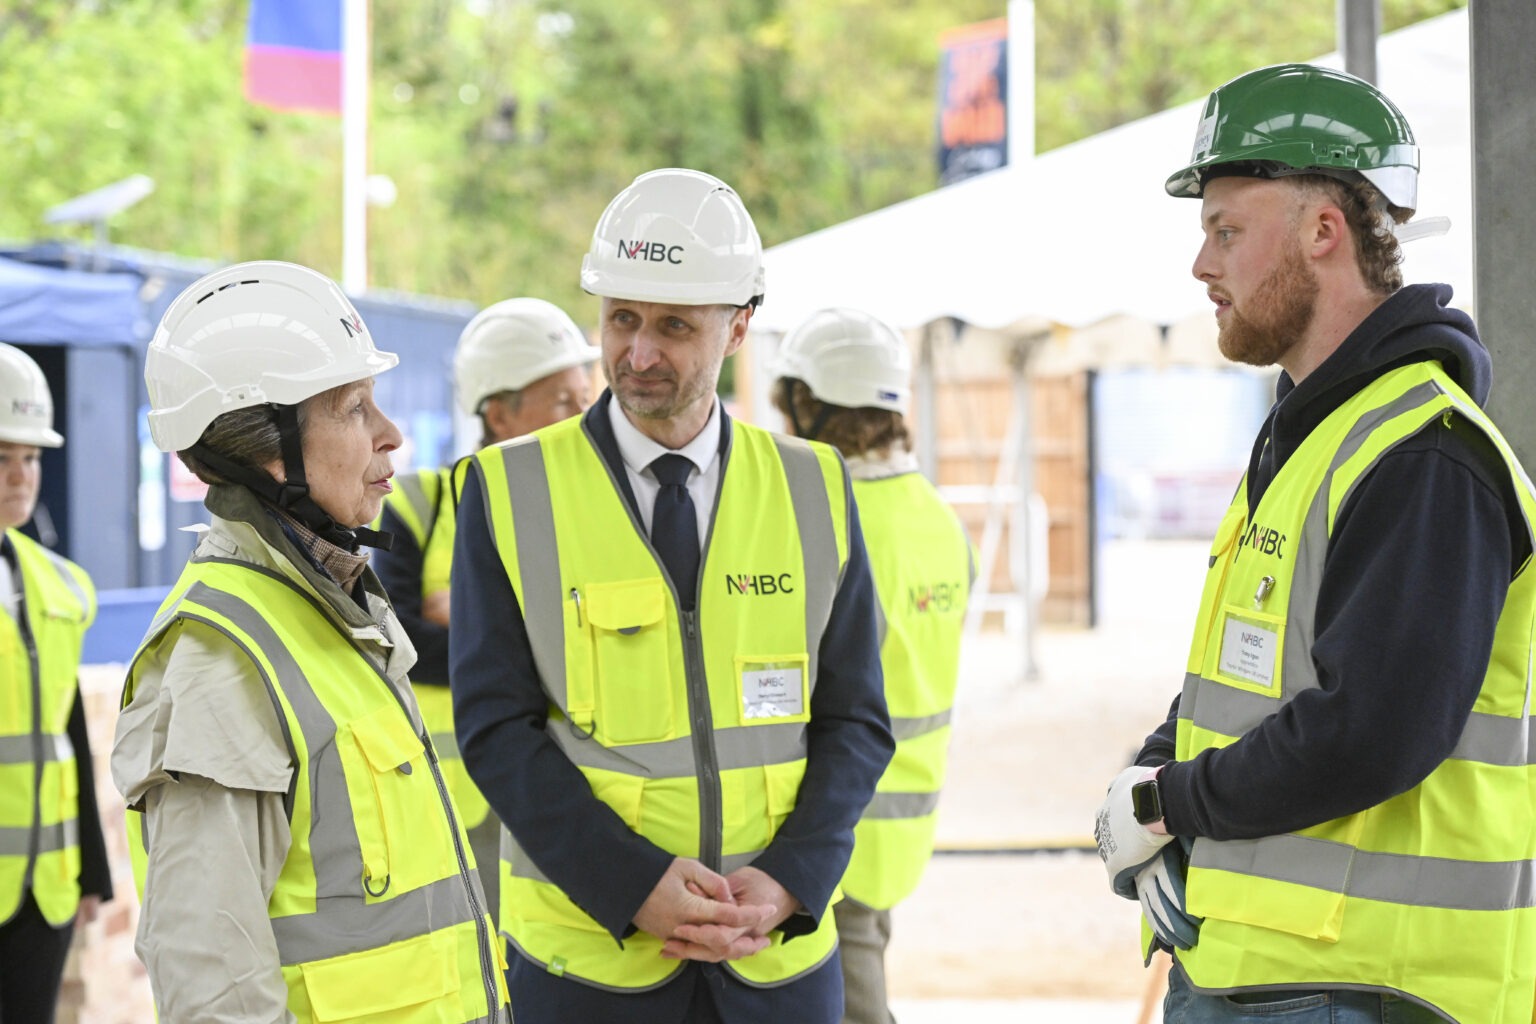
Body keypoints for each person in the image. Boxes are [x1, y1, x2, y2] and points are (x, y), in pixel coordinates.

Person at [1091, 64, 1536, 1023]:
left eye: (1226, 231)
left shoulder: (1422, 457)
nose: (1201, 265)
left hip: (1364, 987)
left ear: (1323, 231)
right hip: (1268, 972)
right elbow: (1247, 676)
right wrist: (1153, 769)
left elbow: (1371, 732)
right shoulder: (1313, 438)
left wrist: (1172, 803)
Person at [451, 168, 895, 1024]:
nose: (640, 353)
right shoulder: (506, 490)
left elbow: (857, 720)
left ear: (739, 327)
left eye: (674, 327)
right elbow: (495, 730)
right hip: (589, 964)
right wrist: (631, 885)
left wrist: (792, 877)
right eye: (622, 319)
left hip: (776, 960)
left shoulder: (814, 486)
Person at [111, 261, 508, 1022]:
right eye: (355, 408)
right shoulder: (223, 659)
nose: (391, 434)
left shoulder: (328, 608)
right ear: (270, 448)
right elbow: (210, 982)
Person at [770, 308, 972, 1024]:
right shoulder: (937, 518)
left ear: (807, 402)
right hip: (904, 808)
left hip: (831, 812)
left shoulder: (825, 518)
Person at [373, 296, 598, 916]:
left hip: (572, 792)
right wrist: (536, 631)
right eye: (564, 400)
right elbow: (395, 644)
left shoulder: (601, 515)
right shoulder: (419, 503)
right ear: (499, 413)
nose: (585, 416)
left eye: (587, 397)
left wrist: (474, 620)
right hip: (451, 801)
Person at [0, 343, 110, 1023]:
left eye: (31, 458)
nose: (21, 477)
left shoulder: (60, 585)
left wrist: (92, 870)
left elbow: (65, 732)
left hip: (44, 888)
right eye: (1, 458)